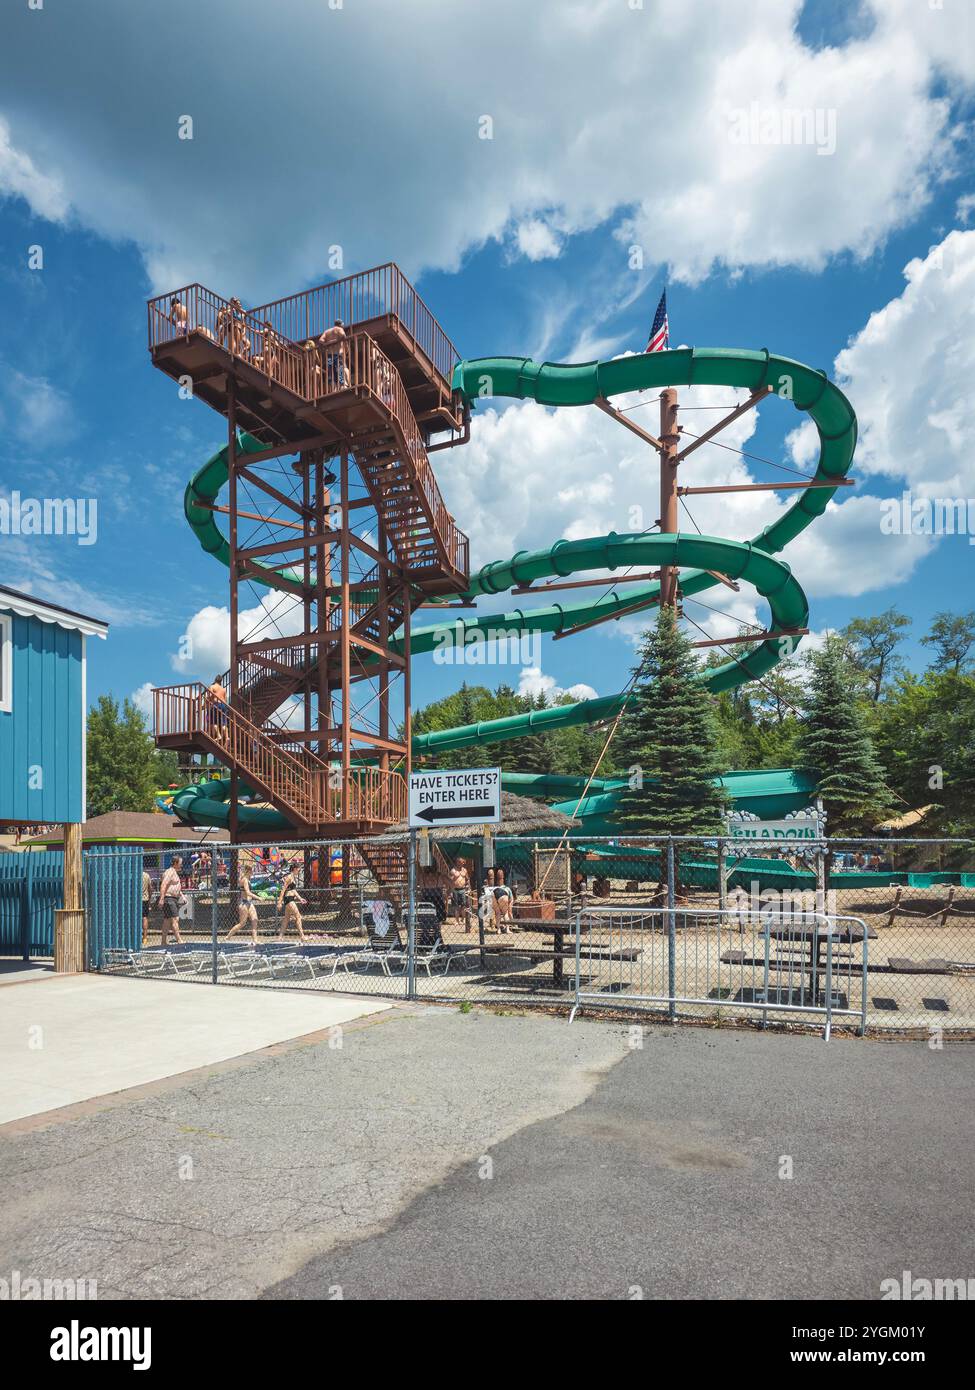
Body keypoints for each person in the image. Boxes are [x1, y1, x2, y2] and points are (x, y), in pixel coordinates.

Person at [226, 868, 259, 946]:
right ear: (248, 871)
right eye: (252, 871)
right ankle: (228, 937)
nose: (253, 872)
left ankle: (255, 940)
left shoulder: (248, 880)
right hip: (244, 903)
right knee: (242, 923)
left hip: (249, 903)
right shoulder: (244, 880)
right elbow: (248, 892)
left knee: (255, 920)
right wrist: (258, 897)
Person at [158, 856, 185, 948]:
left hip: (173, 898)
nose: (182, 864)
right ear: (176, 863)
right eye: (180, 863)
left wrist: (182, 895)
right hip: (168, 898)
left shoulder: (174, 873)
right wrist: (161, 898)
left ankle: (163, 941)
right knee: (175, 919)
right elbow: (164, 884)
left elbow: (174, 885)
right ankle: (179, 940)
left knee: (167, 920)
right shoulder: (170, 872)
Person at [277, 869, 308, 941]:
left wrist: (300, 898)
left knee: (286, 918)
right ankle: (302, 936)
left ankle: (280, 937)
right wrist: (279, 902)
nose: (299, 871)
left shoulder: (293, 877)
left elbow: (293, 890)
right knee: (298, 917)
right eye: (298, 870)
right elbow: (283, 889)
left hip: (290, 898)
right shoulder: (289, 877)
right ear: (295, 869)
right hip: (288, 899)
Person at [318, 318, 348, 390]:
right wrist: (337, 341)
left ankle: (333, 389)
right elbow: (343, 336)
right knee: (340, 369)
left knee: (330, 372)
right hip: (337, 354)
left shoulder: (327, 331)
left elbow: (320, 340)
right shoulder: (339, 329)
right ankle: (342, 386)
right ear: (341, 324)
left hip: (329, 355)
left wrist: (328, 344)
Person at [449, 860, 472, 932]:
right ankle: (456, 920)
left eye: (462, 862)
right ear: (457, 862)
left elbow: (467, 880)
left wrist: (469, 888)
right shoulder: (453, 870)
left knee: (463, 905)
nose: (461, 863)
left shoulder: (465, 870)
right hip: (455, 889)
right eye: (459, 862)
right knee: (456, 906)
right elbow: (450, 881)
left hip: (463, 889)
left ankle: (463, 919)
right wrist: (450, 890)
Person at [207, 676, 229, 745]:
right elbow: (225, 700)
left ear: (215, 680)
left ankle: (219, 736)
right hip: (223, 706)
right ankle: (227, 737)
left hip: (216, 704)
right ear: (221, 681)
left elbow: (210, 696)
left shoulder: (212, 687)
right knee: (223, 724)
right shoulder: (223, 689)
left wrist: (207, 699)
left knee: (213, 722)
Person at [493, 867, 514, 932]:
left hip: (494, 893)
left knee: (498, 913)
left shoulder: (494, 888)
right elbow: (511, 900)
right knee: (505, 913)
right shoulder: (508, 888)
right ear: (503, 877)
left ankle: (498, 929)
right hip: (504, 893)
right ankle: (507, 929)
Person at [142, 868, 154, 945]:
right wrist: (149, 899)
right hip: (144, 899)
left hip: (134, 899)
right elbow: (150, 889)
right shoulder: (146, 875)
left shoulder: (132, 874)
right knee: (144, 917)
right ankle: (145, 937)